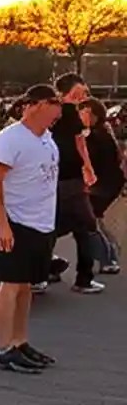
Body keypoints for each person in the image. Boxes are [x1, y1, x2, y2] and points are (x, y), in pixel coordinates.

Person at [0, 84, 62, 374]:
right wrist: (4, 224)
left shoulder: (47, 139)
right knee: (11, 284)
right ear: (36, 105)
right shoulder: (9, 139)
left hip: (41, 223)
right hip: (16, 222)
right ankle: (5, 348)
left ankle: (20, 341)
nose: (57, 113)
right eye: (53, 104)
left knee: (26, 285)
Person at [48, 73, 101, 293]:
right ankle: (83, 278)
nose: (83, 95)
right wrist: (87, 168)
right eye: (79, 91)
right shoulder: (66, 113)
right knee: (86, 226)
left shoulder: (59, 113)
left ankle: (42, 270)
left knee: (53, 225)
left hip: (60, 178)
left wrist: (87, 168)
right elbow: (80, 145)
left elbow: (80, 143)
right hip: (66, 179)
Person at [79, 98, 123, 274]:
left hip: (102, 185)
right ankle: (110, 255)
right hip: (106, 184)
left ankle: (108, 258)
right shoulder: (102, 132)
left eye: (85, 112)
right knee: (93, 221)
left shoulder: (96, 136)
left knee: (89, 223)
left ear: (94, 115)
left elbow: (93, 162)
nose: (81, 115)